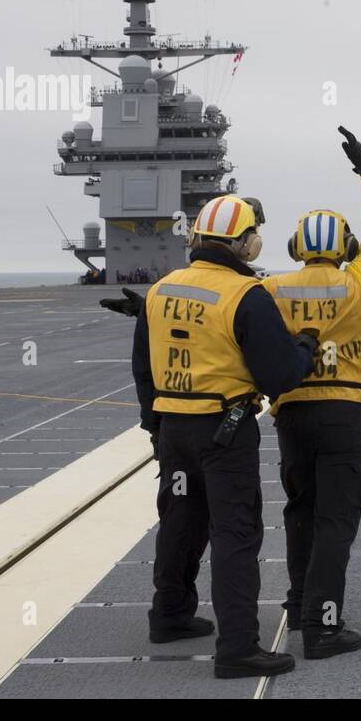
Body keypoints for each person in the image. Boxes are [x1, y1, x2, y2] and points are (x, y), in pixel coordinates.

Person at [132, 194, 321, 679]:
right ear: (247, 243)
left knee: (180, 520)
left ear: (197, 239)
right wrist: (304, 345)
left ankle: (169, 614)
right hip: (224, 431)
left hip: (173, 430)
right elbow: (280, 376)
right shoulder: (246, 295)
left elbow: (143, 369)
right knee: (235, 531)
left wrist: (155, 426)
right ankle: (238, 648)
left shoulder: (161, 290)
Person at [261, 126, 361, 660]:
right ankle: (323, 626)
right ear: (346, 249)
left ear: (297, 248)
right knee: (338, 519)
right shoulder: (355, 282)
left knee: (301, 511)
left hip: (291, 415)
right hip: (340, 414)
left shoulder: (271, 288)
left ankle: (298, 606)